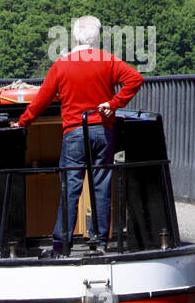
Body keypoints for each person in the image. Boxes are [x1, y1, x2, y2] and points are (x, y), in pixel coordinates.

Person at [18, 15, 143, 255]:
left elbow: (42, 100)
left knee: (70, 187)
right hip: (103, 132)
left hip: (74, 133)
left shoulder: (62, 65)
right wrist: (114, 103)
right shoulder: (107, 60)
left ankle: (61, 245)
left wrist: (22, 122)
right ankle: (99, 242)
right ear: (96, 40)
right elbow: (135, 79)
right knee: (101, 186)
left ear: (74, 37)